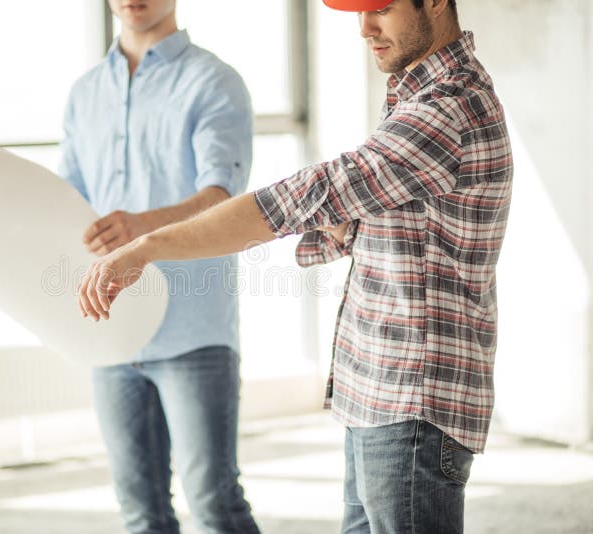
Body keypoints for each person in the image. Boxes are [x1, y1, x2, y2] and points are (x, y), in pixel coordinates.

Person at [77, 0, 513, 532]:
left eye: (382, 9)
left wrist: (147, 246)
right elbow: (395, 221)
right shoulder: (414, 94)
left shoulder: (447, 107)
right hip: (380, 393)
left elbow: (303, 195)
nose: (365, 29)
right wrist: (344, 222)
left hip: (412, 400)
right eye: (358, 12)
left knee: (214, 497)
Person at [58, 1, 259, 533]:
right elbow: (68, 204)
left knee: (214, 501)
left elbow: (223, 196)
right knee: (139, 510)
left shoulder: (213, 81)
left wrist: (140, 228)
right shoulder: (83, 95)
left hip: (193, 329)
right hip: (108, 329)